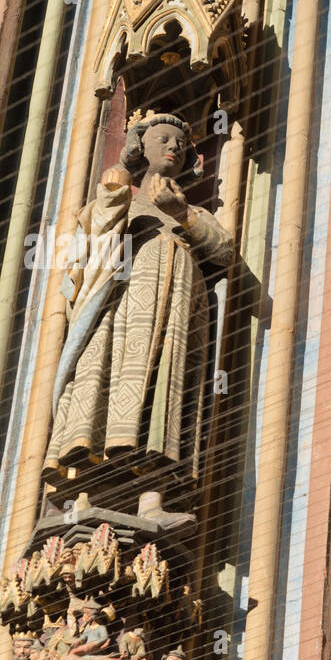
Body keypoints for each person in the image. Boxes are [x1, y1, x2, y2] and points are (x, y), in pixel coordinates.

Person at [45, 109, 235, 524]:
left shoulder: (191, 211)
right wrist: (121, 171)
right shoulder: (120, 201)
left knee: (164, 399)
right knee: (107, 395)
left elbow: (224, 252)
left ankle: (152, 502)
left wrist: (183, 214)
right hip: (121, 314)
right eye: (163, 139)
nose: (174, 147)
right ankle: (83, 498)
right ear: (139, 146)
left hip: (177, 314)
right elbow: (93, 239)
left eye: (181, 144)